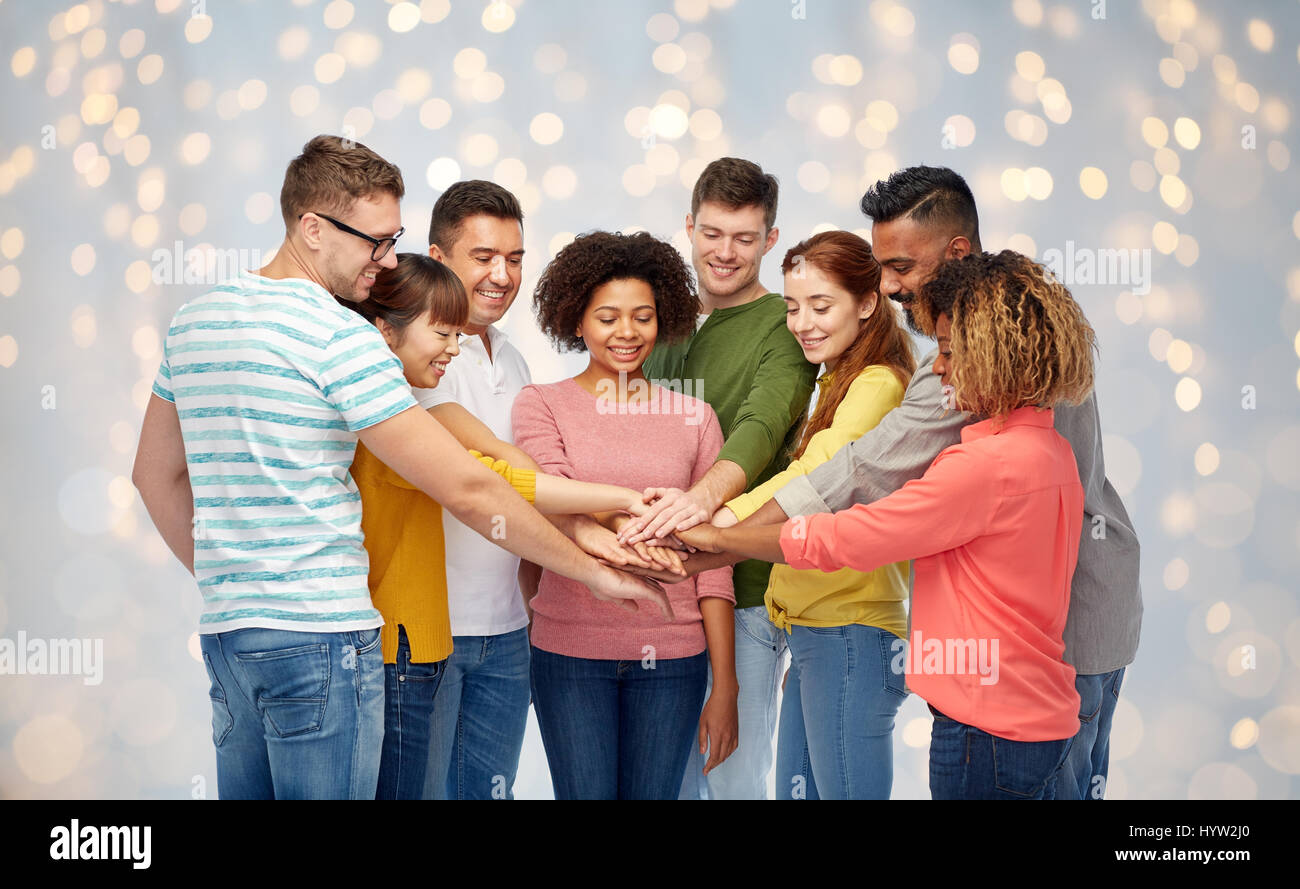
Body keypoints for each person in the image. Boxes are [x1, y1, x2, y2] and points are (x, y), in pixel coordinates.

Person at [131, 135, 669, 800]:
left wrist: (241, 582)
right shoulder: (341, 335)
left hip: (231, 634)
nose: (387, 261)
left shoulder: (194, 322)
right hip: (326, 635)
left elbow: (153, 475)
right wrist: (593, 570)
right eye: (376, 242)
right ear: (312, 227)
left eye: (394, 240)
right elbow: (469, 485)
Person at [718, 166, 1142, 801]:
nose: (888, 284)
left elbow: (867, 476)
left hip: (1055, 643)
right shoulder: (1022, 313)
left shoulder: (984, 348)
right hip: (1073, 627)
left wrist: (720, 535)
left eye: (900, 267)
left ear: (958, 254)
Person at [343, 252, 668, 799]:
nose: (455, 346)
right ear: (384, 331)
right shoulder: (386, 425)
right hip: (394, 647)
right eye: (443, 333)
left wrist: (611, 512)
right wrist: (603, 540)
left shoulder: (431, 407)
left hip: (435, 640)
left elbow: (508, 466)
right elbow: (486, 488)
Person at [514, 230, 738, 800]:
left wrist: (726, 685)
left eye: (642, 317)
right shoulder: (541, 404)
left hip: (674, 656)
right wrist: (623, 515)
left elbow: (714, 562)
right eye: (607, 317)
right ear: (577, 320)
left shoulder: (695, 416)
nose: (627, 333)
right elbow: (552, 497)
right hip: (568, 655)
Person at [620, 157, 817, 800]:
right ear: (689, 226)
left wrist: (698, 503)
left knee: (730, 781)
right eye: (712, 233)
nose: (725, 253)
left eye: (744, 237)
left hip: (750, 595)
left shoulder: (781, 327)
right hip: (661, 592)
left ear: (770, 240)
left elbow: (761, 428)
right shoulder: (662, 319)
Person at [714, 231, 916, 799]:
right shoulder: (836, 382)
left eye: (821, 306)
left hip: (849, 633)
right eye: (792, 307)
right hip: (818, 636)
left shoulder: (876, 384)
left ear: (869, 303)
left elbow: (819, 477)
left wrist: (720, 522)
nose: (802, 322)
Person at [415, 180, 536, 800]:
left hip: (507, 633)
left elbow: (528, 490)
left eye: (514, 258)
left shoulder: (514, 358)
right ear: (440, 258)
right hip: (428, 635)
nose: (502, 274)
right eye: (484, 257)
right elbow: (487, 478)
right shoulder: (414, 354)